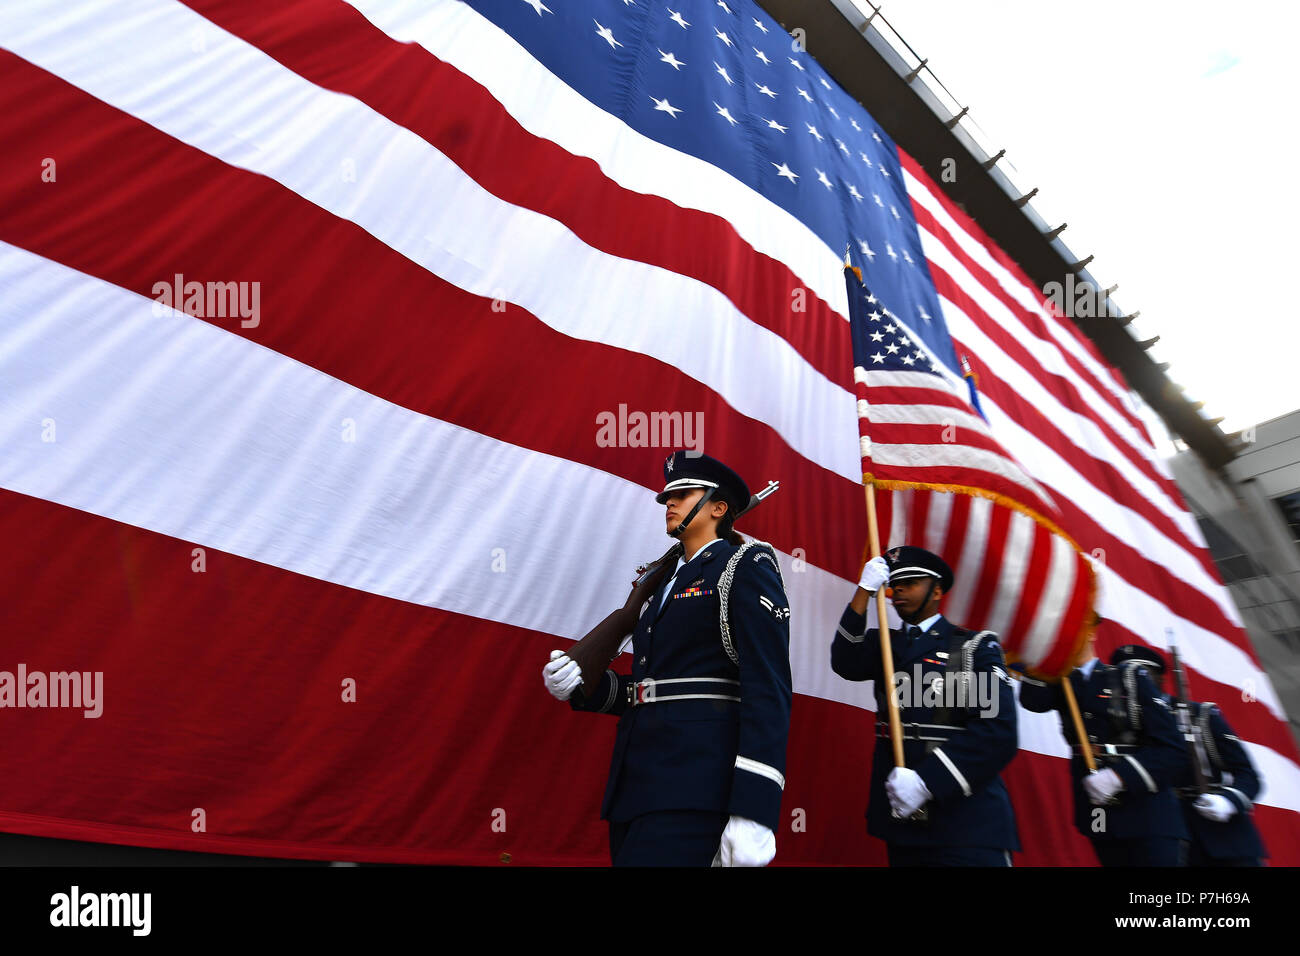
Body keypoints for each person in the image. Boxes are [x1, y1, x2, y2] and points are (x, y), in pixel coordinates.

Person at [541, 451, 792, 866]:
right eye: (666, 497)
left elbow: (768, 689)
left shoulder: (744, 566)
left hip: (697, 786)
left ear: (719, 507)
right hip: (637, 786)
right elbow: (658, 688)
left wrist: (755, 809)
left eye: (684, 493)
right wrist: (585, 685)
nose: (668, 502)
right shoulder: (663, 584)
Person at [830, 546, 1019, 866]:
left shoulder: (973, 646)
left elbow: (996, 731)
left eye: (912, 582)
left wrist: (926, 781)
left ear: (937, 590)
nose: (898, 590)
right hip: (905, 820)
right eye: (894, 584)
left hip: (966, 822)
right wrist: (863, 591)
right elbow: (844, 661)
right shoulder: (885, 646)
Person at [1018, 634, 1188, 866]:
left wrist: (1120, 777)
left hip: (1147, 813)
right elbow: (1033, 701)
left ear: (1090, 631)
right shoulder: (1064, 682)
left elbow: (1173, 749)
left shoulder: (1127, 676)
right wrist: (1040, 651)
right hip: (1099, 812)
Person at [1111, 645, 1268, 867]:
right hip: (1161, 840)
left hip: (1223, 838)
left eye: (1142, 674)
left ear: (1160, 678)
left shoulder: (1201, 716)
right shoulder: (1116, 729)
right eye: (1124, 675)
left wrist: (1228, 801)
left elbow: (1248, 776)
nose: (1134, 681)